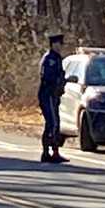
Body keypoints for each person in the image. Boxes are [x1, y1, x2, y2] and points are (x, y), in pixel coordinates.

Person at [38, 33, 69, 164]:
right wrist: (60, 81)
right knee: (52, 123)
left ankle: (54, 152)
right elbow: (48, 78)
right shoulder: (50, 59)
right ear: (53, 44)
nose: (60, 46)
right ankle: (47, 152)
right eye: (58, 44)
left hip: (54, 95)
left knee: (55, 123)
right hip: (48, 94)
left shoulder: (57, 58)